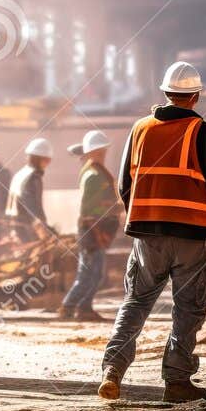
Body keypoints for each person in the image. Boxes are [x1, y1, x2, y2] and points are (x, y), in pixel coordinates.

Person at [97, 61, 206, 403]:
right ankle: (177, 382)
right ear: (195, 97)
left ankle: (113, 371)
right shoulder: (202, 131)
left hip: (147, 235)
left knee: (136, 301)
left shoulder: (139, 129)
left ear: (165, 93)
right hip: (192, 235)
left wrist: (143, 214)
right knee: (188, 308)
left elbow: (124, 185)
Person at [58, 129, 114, 322]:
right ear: (90, 152)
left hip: (93, 230)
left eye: (103, 151)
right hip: (91, 231)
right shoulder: (93, 176)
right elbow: (87, 211)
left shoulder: (95, 173)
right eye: (99, 152)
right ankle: (70, 306)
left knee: (94, 274)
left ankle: (83, 307)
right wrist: (98, 234)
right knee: (88, 274)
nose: (102, 155)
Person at [6, 137, 52, 241]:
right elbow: (32, 205)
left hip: (15, 228)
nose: (48, 163)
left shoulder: (21, 174)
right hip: (28, 232)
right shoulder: (33, 177)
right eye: (48, 160)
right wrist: (42, 227)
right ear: (43, 159)